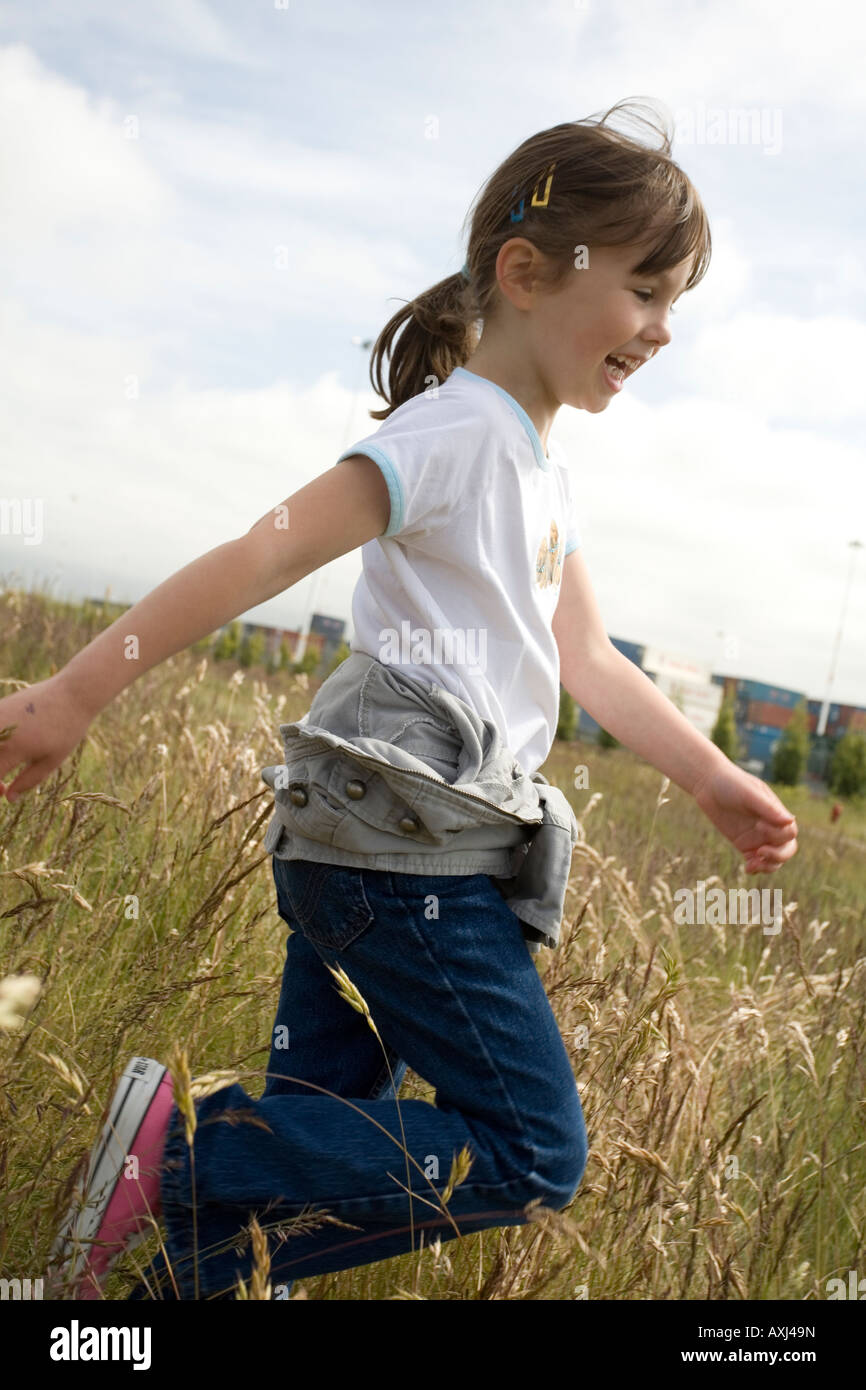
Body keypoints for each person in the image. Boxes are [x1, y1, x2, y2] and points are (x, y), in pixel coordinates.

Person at [0, 98, 799, 1302]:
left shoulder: (535, 468)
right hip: (399, 861)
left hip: (384, 849)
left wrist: (712, 778)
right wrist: (69, 692)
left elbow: (586, 658)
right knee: (531, 1155)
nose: (661, 328)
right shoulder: (452, 437)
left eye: (674, 303)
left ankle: (169, 1286)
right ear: (526, 273)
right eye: (644, 291)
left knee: (320, 1142)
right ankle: (177, 1159)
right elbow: (261, 553)